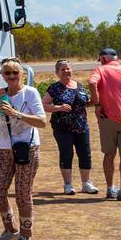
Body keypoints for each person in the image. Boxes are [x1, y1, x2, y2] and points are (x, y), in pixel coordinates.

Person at [0, 58, 48, 240]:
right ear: (3, 75)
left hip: (27, 149)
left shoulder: (30, 93)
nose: (11, 76)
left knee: (22, 192)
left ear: (22, 74)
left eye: (15, 72)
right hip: (4, 149)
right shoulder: (0, 94)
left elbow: (42, 121)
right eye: (7, 73)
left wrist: (16, 114)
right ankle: (10, 229)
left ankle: (26, 236)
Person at [88, 47, 121, 201]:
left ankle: (111, 189)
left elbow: (92, 83)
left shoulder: (100, 70)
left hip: (107, 118)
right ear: (116, 58)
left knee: (109, 154)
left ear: (103, 58)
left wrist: (97, 105)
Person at [44, 59, 97, 195]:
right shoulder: (54, 88)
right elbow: (44, 105)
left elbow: (85, 102)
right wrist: (58, 107)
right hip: (63, 128)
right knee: (67, 154)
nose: (66, 71)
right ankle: (68, 185)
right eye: (63, 69)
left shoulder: (79, 86)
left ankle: (86, 183)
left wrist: (95, 101)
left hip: (81, 127)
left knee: (85, 154)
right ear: (57, 72)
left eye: (68, 69)